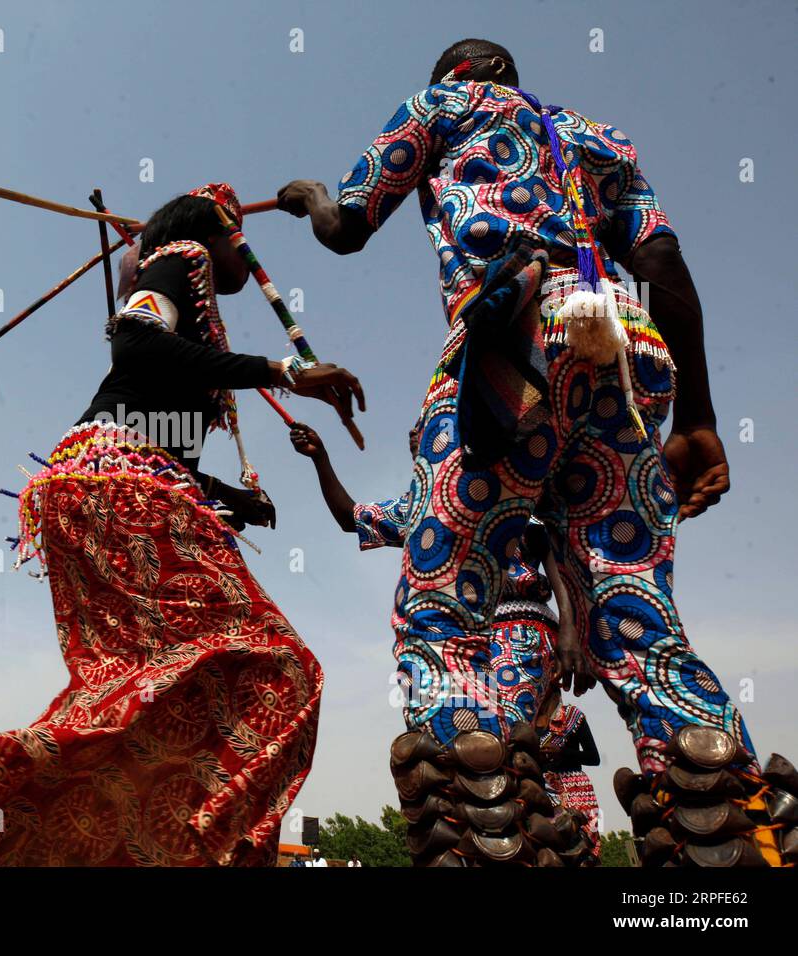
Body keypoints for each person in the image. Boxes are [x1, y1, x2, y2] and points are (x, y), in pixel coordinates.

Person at [277, 38, 794, 867]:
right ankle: (727, 824)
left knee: (443, 607)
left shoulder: (438, 107)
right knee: (635, 612)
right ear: (513, 75)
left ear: (455, 74)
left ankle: (487, 825)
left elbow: (347, 227)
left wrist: (307, 196)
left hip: (511, 357)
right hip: (627, 354)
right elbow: (662, 262)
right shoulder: (598, 135)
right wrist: (698, 415)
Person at [0, 184, 365, 867]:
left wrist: (223, 494)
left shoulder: (189, 294)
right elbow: (137, 344)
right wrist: (283, 370)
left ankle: (56, 834)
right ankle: (163, 833)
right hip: (118, 490)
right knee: (279, 666)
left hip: (107, 486)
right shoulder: (181, 258)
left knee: (151, 686)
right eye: (236, 240)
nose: (244, 258)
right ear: (211, 232)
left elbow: (152, 423)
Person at [290, 421, 595, 865]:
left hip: (520, 630)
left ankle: (554, 843)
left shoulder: (505, 487)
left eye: (430, 433)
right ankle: (537, 842)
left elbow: (557, 562)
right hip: (453, 639)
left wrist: (573, 630)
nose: (421, 441)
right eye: (415, 438)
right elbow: (349, 517)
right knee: (457, 748)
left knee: (501, 746)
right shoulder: (420, 508)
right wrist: (321, 458)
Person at [535, 692, 602, 863]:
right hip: (542, 792)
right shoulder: (529, 719)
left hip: (575, 789)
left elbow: (594, 758)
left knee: (581, 847)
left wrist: (562, 752)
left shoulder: (572, 716)